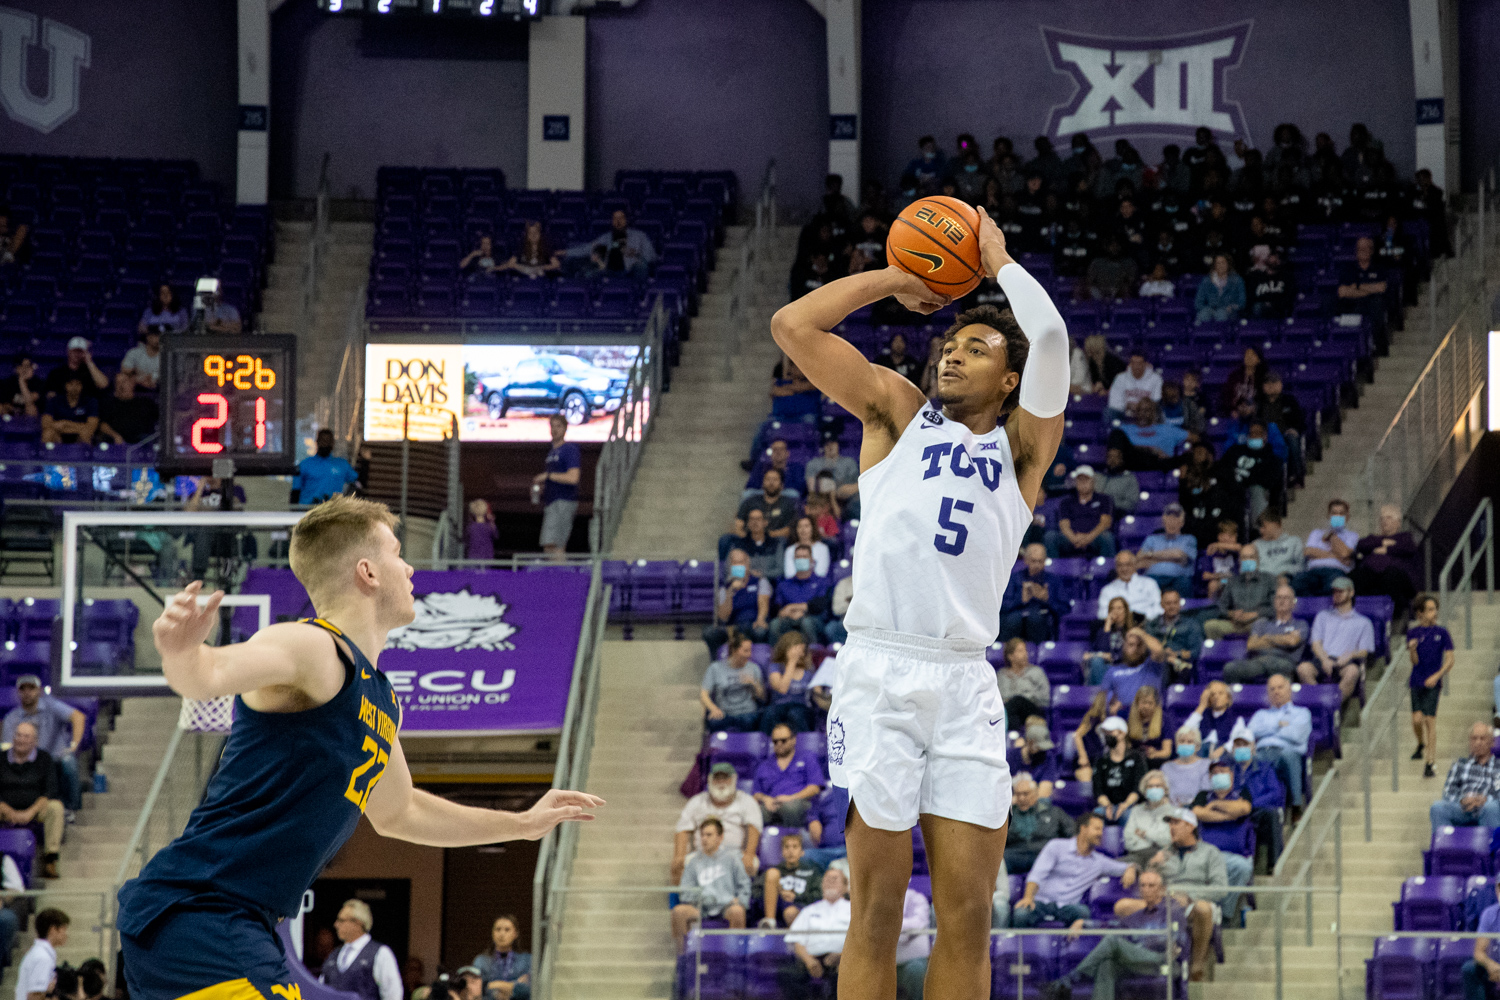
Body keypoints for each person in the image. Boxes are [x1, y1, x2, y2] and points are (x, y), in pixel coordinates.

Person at [115, 496, 602, 998]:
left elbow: (402, 811)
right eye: (397, 553)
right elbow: (209, 674)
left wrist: (521, 824)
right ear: (367, 572)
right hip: (201, 910)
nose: (409, 568)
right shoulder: (312, 647)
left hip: (238, 921)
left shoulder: (382, 699)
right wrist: (182, 652)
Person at [769, 209, 1068, 998]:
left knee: (968, 916)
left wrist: (997, 260)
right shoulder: (897, 411)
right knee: (877, 911)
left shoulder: (1023, 450)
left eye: (978, 348)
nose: (954, 353)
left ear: (1010, 380)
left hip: (965, 680)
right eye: (951, 344)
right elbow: (793, 326)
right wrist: (897, 280)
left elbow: (1051, 338)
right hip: (881, 670)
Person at [1040, 869, 1185, 1000]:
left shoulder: (1172, 911)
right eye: (1143, 885)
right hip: (1138, 960)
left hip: (1163, 960)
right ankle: (1065, 984)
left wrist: (1146, 945)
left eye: (1151, 886)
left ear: (1162, 889)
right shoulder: (1137, 916)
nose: (1146, 889)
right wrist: (1084, 923)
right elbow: (1113, 927)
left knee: (1113, 941)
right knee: (1106, 964)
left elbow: (1178, 941)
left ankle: (1067, 982)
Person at [1012, 813, 1138, 928]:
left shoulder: (1100, 861)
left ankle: (1074, 946)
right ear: (1083, 829)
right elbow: (1037, 874)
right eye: (1097, 829)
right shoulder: (1056, 846)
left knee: (1084, 913)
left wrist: (1131, 869)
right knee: (1021, 913)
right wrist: (1028, 897)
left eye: (1102, 830)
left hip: (1068, 907)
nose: (1101, 834)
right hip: (1041, 903)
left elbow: (1128, 866)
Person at [1144, 810, 1227, 981]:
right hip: (1165, 901)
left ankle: (1197, 964)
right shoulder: (1163, 853)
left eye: (1176, 823)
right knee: (1122, 906)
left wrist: (1189, 896)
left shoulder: (1210, 852)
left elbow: (1221, 888)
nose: (1171, 827)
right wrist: (1152, 865)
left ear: (1190, 827)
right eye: (1170, 823)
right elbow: (1147, 885)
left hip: (1194, 902)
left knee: (1203, 909)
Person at [1, 675, 85, 815]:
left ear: (39, 691)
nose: (27, 692)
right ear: (18, 692)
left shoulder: (51, 706)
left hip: (54, 757)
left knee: (68, 760)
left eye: (31, 688)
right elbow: (7, 749)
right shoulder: (11, 718)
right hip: (29, 762)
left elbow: (78, 717)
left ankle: (71, 809)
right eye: (23, 689)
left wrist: (74, 745)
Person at [672, 763, 762, 883]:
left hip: (735, 854)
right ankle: (685, 895)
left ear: (734, 779)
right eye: (717, 778)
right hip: (702, 854)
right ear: (709, 780)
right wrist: (679, 855)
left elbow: (754, 827)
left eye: (725, 778)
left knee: (750, 863)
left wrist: (749, 854)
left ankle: (736, 895)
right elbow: (682, 829)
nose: (721, 782)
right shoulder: (696, 801)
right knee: (679, 864)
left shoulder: (747, 801)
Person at [670, 818, 750, 949]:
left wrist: (740, 900)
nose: (704, 839)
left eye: (709, 835)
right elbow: (685, 892)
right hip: (701, 907)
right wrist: (702, 899)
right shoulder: (693, 862)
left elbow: (744, 885)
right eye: (702, 835)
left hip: (726, 906)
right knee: (679, 912)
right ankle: (683, 955)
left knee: (737, 911)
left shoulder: (732, 859)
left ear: (720, 837)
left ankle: (734, 955)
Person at [0, 721, 63, 879]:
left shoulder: (44, 759)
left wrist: (30, 812)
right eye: (18, 735)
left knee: (55, 807)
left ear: (35, 741)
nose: (21, 739)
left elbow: (50, 791)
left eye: (26, 736)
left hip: (35, 809)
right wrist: (9, 811)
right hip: (4, 808)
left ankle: (50, 860)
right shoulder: (1, 758)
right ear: (13, 737)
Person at [1298, 576, 1374, 704]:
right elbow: (1316, 643)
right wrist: (1324, 659)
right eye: (1335, 591)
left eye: (1341, 591)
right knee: (1303, 669)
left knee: (1352, 672)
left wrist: (1350, 655)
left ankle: (1334, 705)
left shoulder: (1363, 622)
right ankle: (1320, 702)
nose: (1337, 594)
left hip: (1345, 660)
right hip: (1323, 658)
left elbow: (1364, 651)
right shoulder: (1322, 616)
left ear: (1351, 592)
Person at [779, 866, 852, 1000]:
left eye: (835, 879)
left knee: (844, 976)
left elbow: (860, 942)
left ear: (845, 886)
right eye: (827, 879)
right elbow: (797, 941)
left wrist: (842, 956)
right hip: (813, 960)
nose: (830, 882)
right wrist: (809, 961)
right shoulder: (809, 911)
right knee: (787, 974)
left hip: (845, 961)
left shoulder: (853, 911)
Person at [1401, 594, 1453, 778]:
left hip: (1433, 682)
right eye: (1430, 610)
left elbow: (1450, 659)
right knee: (1416, 720)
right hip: (1417, 680)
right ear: (1420, 613)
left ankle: (1430, 762)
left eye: (1435, 609)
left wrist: (1437, 676)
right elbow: (1414, 661)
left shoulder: (1442, 632)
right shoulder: (1413, 633)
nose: (1434, 613)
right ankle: (1420, 743)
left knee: (1430, 720)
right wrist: (1412, 649)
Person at [1247, 674, 1313, 812]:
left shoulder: (1302, 713)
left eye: (1280, 687)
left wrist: (1265, 731)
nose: (1276, 692)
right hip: (1262, 752)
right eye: (1272, 689)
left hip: (1286, 751)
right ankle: (1253, 805)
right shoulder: (1260, 714)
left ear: (1289, 690)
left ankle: (1296, 806)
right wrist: (1278, 725)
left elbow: (1297, 735)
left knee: (1288, 756)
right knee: (1247, 760)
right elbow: (1250, 733)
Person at [320, 899, 402, 1000]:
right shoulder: (334, 955)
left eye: (341, 920)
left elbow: (393, 995)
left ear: (357, 923)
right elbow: (320, 990)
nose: (336, 925)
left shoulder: (380, 953)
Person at [1224, 585, 1308, 683]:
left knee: (1279, 666)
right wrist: (1283, 639)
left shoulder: (1300, 624)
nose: (1281, 601)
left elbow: (1292, 641)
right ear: (1274, 602)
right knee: (1230, 668)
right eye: (1279, 597)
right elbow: (1251, 645)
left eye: (1286, 598)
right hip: (1259, 661)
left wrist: (1267, 638)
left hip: (1285, 661)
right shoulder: (1262, 623)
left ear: (1293, 603)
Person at [1432, 722, 1500, 831]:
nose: (1478, 742)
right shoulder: (1460, 764)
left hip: (1488, 808)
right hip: (1463, 809)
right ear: (1470, 742)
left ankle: (1493, 842)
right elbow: (1448, 792)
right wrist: (1462, 800)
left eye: (1482, 738)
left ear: (1491, 742)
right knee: (1437, 807)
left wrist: (1485, 799)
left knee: (1491, 807)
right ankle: (1445, 841)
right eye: (1474, 738)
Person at [753, 723, 825, 826]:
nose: (779, 744)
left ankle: (793, 836)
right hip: (773, 804)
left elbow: (814, 788)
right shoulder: (764, 765)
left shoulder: (807, 758)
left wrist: (791, 798)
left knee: (790, 808)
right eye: (775, 741)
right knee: (755, 811)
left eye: (783, 740)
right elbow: (756, 793)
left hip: (800, 803)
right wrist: (765, 799)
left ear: (793, 739)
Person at [1350, 504, 1419, 612]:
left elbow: (1409, 548)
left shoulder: (1404, 537)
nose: (1384, 521)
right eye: (1382, 518)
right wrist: (1382, 541)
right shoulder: (1374, 538)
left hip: (1395, 575)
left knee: (1391, 575)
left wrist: (1387, 550)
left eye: (1389, 517)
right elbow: (1361, 545)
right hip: (1371, 574)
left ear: (1398, 523)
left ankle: (1394, 614)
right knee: (1355, 576)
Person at [1005, 773, 1076, 873]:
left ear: (1036, 793)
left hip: (1044, 854)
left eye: (1025, 794)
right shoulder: (1007, 815)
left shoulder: (1054, 812)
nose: (1021, 798)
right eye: (1018, 794)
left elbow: (1072, 833)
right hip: (1015, 855)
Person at [1203, 544, 1276, 639]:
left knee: (1260, 624)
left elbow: (1275, 607)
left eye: (1251, 557)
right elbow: (1221, 606)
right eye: (1244, 558)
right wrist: (1232, 614)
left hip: (1259, 622)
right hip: (1236, 623)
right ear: (1239, 561)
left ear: (1258, 560)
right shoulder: (1233, 581)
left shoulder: (1269, 579)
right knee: (1210, 626)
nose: (1248, 561)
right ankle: (1220, 649)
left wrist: (1255, 614)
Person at [999, 543, 1068, 643]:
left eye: (1040, 561)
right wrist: (1020, 599)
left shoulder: (1054, 580)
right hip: (1014, 623)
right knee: (1012, 619)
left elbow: (1065, 608)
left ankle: (1040, 651)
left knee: (1035, 618)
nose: (1037, 565)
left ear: (1045, 561)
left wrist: (1047, 600)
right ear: (1026, 560)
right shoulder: (1014, 579)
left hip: (1042, 624)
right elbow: (1002, 606)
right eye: (1033, 561)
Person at [699, 630, 766, 733]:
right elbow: (704, 694)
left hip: (747, 713)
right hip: (724, 713)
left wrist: (754, 684)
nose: (749, 655)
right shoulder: (715, 668)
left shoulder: (754, 668)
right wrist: (713, 708)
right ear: (734, 650)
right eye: (745, 651)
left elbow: (762, 697)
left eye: (750, 651)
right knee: (714, 722)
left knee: (749, 722)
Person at [756, 830, 824, 929]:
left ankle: (796, 937)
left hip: (800, 909)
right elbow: (756, 894)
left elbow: (818, 896)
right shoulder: (773, 870)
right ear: (782, 852)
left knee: (790, 913)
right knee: (772, 873)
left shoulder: (812, 871)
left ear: (802, 852)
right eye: (786, 847)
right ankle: (770, 921)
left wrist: (796, 897)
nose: (790, 851)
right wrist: (778, 894)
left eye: (795, 847)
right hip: (776, 910)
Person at [534, 414, 580, 557]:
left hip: (563, 500)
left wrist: (548, 476)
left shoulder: (569, 449)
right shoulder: (551, 452)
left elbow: (573, 478)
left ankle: (561, 571)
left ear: (565, 428)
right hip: (551, 501)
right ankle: (558, 570)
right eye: (552, 426)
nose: (554, 430)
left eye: (558, 426)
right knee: (550, 546)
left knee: (554, 545)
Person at [1046, 466, 1117, 559]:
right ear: (1075, 482)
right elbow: (1064, 524)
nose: (1083, 483)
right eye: (1080, 480)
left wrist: (1087, 538)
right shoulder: (1066, 501)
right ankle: (1052, 566)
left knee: (1107, 537)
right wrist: (1074, 539)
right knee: (1050, 536)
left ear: (1093, 481)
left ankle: (1107, 567)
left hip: (1094, 537)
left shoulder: (1104, 499)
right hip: (1072, 537)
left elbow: (1105, 523)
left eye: (1086, 480)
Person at [1293, 500, 1359, 596]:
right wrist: (1336, 556)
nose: (1337, 516)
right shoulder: (1316, 533)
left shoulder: (1352, 536)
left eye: (1341, 514)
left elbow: (1345, 554)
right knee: (1297, 584)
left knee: (1333, 589)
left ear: (1347, 517)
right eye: (1334, 513)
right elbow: (1308, 551)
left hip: (1336, 571)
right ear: (1328, 515)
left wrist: (1332, 536)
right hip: (1313, 571)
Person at [770, 546, 831, 643]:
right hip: (788, 617)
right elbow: (778, 607)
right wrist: (787, 612)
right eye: (798, 557)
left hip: (813, 618)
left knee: (807, 623)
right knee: (775, 624)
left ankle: (813, 650)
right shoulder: (784, 584)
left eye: (804, 557)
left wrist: (791, 607)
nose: (801, 559)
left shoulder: (822, 582)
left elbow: (820, 604)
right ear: (793, 560)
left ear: (811, 560)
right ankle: (777, 652)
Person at [1140, 588, 1204, 683]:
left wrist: (1176, 654)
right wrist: (1165, 655)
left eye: (1175, 603)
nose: (1172, 606)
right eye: (1168, 603)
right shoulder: (1152, 625)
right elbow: (1146, 647)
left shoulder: (1191, 625)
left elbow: (1196, 651)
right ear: (1161, 604)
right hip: (1155, 662)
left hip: (1180, 666)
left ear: (1179, 604)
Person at [1092, 717, 1147, 822]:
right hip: (1107, 805)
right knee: (1097, 815)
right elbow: (1098, 789)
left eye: (1110, 732)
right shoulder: (1101, 759)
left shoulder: (1136, 757)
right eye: (1105, 733)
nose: (1107, 736)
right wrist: (1107, 805)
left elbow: (1138, 787)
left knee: (1128, 815)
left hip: (1131, 805)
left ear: (1122, 734)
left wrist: (1125, 804)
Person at [1136, 505, 1197, 595]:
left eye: (1175, 519)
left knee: (1184, 583)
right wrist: (1172, 557)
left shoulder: (1189, 539)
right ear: (1163, 522)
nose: (1172, 523)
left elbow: (1179, 555)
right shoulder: (1152, 539)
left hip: (1178, 579)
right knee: (1145, 582)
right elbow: (1139, 557)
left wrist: (1151, 556)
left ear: (1182, 523)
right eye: (1169, 519)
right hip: (1153, 577)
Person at [579, 210, 656, 280]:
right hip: (610, 269)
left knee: (641, 266)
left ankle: (639, 287)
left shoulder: (639, 236)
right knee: (588, 273)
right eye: (615, 219)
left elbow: (650, 256)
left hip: (631, 268)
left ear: (626, 220)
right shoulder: (606, 237)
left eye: (621, 218)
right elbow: (589, 249)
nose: (618, 221)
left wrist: (635, 255)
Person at [1121, 770, 1176, 866]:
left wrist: (1145, 834)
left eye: (1158, 786)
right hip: (1136, 855)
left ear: (1165, 789)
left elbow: (1167, 840)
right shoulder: (1136, 810)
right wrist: (1153, 840)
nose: (1154, 789)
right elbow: (1128, 839)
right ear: (1144, 790)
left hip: (1163, 856)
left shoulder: (1173, 812)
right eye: (1150, 786)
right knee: (1115, 867)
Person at [291, 429, 360, 505]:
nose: (325, 444)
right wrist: (294, 510)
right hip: (308, 508)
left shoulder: (342, 465)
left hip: (333, 509)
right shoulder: (305, 464)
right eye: (323, 440)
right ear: (317, 442)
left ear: (333, 443)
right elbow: (295, 491)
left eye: (328, 441)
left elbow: (357, 481)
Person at [763, 634, 815, 734]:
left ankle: (801, 741)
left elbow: (815, 694)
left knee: (795, 714)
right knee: (770, 713)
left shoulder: (808, 670)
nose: (800, 654)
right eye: (796, 650)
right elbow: (782, 689)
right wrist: (792, 662)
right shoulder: (775, 667)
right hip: (779, 706)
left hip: (801, 707)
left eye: (802, 650)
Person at [472, 914, 531, 999]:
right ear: (492, 933)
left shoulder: (526, 960)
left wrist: (493, 984)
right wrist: (515, 984)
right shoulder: (481, 961)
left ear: (516, 934)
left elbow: (529, 988)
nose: (502, 934)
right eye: (498, 929)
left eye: (507, 930)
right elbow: (476, 989)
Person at [1095, 550, 1163, 621]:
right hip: (1119, 625)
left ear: (1135, 565)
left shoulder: (1150, 583)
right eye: (1120, 565)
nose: (1124, 569)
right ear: (1116, 567)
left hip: (1147, 623)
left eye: (1128, 565)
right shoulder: (1107, 590)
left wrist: (1143, 619)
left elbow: (1158, 608)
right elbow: (1102, 614)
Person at [995, 638, 1050, 726]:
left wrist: (1027, 698)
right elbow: (997, 698)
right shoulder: (1001, 675)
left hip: (1032, 710)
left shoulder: (1036, 671)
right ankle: (1014, 732)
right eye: (1020, 651)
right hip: (1009, 709)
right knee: (1013, 715)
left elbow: (1045, 698)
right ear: (1010, 656)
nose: (1025, 654)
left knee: (1017, 701)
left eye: (1025, 650)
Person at [16, 908, 66, 1000]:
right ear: (53, 930)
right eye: (64, 929)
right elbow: (34, 996)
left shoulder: (39, 953)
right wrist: (48, 992)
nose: (66, 934)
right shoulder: (42, 957)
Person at [1182, 680, 1242, 759]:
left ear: (1228, 698)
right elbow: (1185, 730)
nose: (1216, 697)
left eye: (1220, 693)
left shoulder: (1236, 718)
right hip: (1201, 753)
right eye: (1212, 694)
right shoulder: (1201, 715)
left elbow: (1238, 739)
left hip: (1224, 754)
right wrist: (1202, 706)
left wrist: (1224, 748)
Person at [1086, 597, 1139, 685]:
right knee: (1096, 663)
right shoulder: (1103, 630)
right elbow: (1101, 649)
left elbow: (1131, 654)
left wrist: (1110, 656)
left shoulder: (1133, 631)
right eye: (1112, 609)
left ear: (1126, 611)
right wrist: (1107, 626)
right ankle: (1102, 692)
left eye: (1119, 608)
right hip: (1106, 667)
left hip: (1125, 667)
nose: (1115, 612)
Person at [1463, 879, 1500, 1000]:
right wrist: (1491, 965)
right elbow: (1478, 952)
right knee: (1469, 969)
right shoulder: (1489, 914)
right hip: (1495, 963)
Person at [99, 372, 159, 445]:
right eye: (118, 383)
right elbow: (103, 425)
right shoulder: (109, 403)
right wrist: (115, 436)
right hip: (117, 442)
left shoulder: (146, 402)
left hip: (142, 442)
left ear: (132, 383)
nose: (121, 385)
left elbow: (161, 419)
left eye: (124, 381)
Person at [1106, 351, 1162, 422]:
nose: (1135, 366)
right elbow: (1114, 402)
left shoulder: (1156, 379)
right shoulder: (1120, 378)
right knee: (1109, 411)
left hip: (1147, 413)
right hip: (1125, 412)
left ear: (1145, 364)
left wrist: (1140, 407)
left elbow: (1156, 401)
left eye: (1139, 363)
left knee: (1158, 411)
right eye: (1133, 363)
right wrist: (1127, 405)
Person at [40, 375, 98, 445]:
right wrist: (77, 427)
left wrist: (65, 423)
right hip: (58, 435)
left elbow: (92, 426)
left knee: (86, 433)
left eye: (78, 384)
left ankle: (82, 452)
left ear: (82, 386)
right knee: (47, 433)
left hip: (79, 435)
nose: (74, 388)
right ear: (66, 385)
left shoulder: (90, 401)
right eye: (71, 384)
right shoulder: (54, 400)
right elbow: (45, 424)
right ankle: (48, 452)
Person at [1162, 727, 1212, 806]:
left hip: (1198, 808)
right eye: (1181, 741)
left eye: (1190, 742)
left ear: (1197, 746)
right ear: (1176, 745)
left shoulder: (1207, 765)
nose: (1185, 744)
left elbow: (1206, 792)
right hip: (1171, 808)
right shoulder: (1166, 767)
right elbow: (1163, 792)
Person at [1254, 511, 1305, 583]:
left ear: (1276, 524)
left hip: (1288, 581)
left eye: (1264, 526)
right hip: (1263, 582)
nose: (1261, 531)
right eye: (1260, 527)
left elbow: (1301, 566)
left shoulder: (1294, 541)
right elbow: (1250, 569)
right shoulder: (1256, 545)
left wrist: (1287, 574)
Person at [1194, 254, 1246, 323]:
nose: (1221, 265)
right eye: (1218, 263)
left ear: (1228, 264)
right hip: (1210, 309)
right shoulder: (1206, 281)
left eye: (1223, 263)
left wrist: (1232, 307)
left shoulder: (1237, 280)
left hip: (1228, 311)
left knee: (1221, 314)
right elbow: (1198, 302)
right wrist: (1207, 309)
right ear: (1214, 265)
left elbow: (1242, 302)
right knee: (1203, 315)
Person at [1094, 448, 1140, 514]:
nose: (1112, 460)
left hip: (1118, 514)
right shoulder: (1098, 476)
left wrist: (1109, 502)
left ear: (1121, 460)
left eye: (1116, 457)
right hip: (1095, 513)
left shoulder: (1129, 479)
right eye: (1110, 457)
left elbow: (1131, 504)